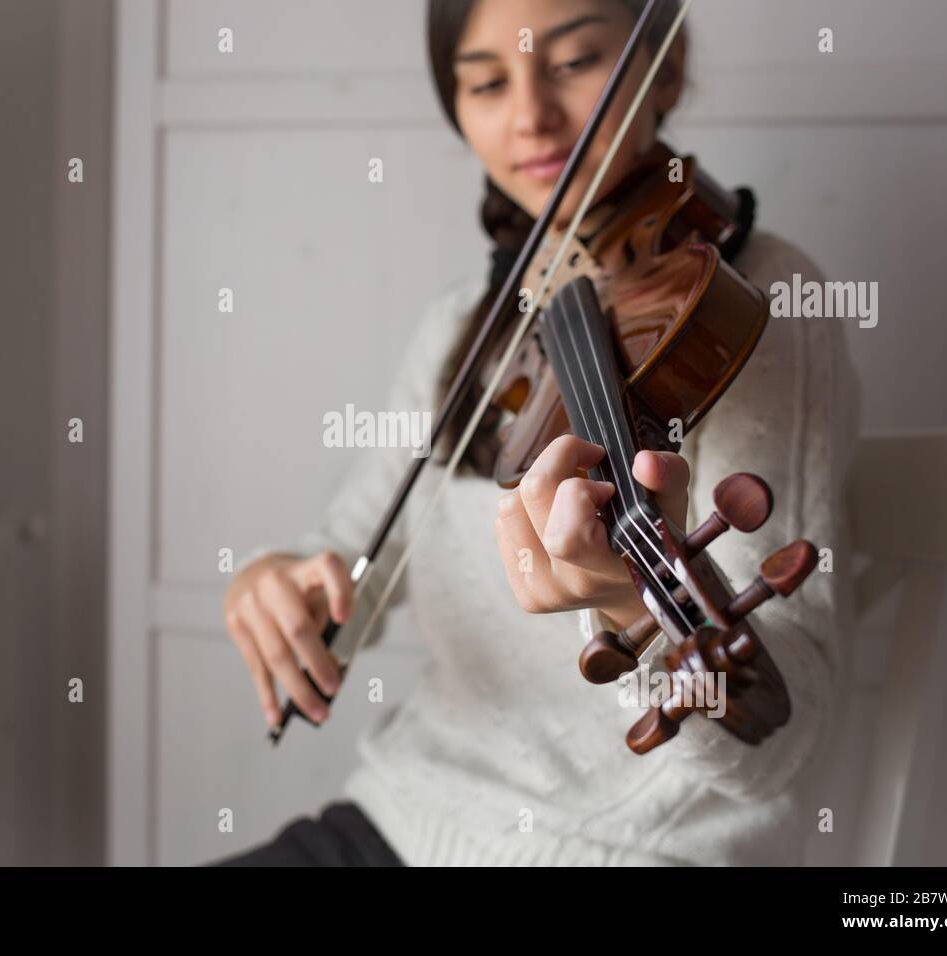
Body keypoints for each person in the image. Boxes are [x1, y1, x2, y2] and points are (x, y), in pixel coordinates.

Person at [212, 0, 860, 866]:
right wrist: (280, 583)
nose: (529, 116)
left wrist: (634, 608)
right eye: (486, 82)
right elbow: (350, 564)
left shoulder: (752, 302)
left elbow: (785, 750)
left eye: (574, 61)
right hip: (396, 822)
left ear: (661, 66)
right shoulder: (464, 328)